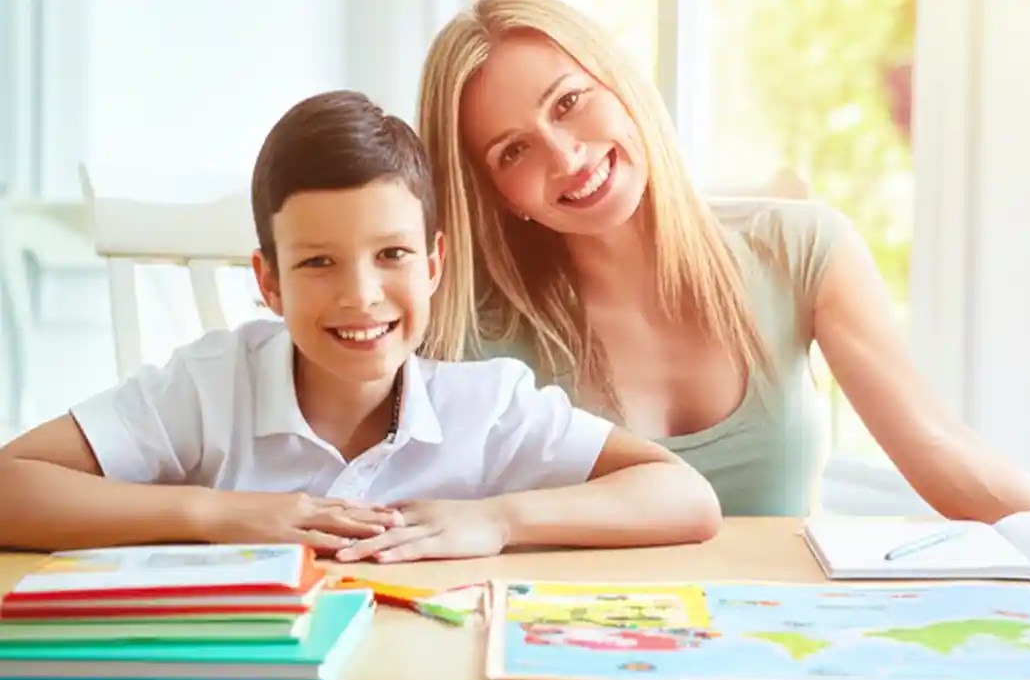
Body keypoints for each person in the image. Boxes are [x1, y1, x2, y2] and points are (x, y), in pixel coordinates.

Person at [415, 0, 1030, 521]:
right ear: (497, 196)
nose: (564, 155)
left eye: (568, 102)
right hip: (582, 659)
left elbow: (940, 451)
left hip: (782, 653)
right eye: (512, 152)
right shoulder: (473, 334)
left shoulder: (801, 250)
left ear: (621, 86)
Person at [0, 90, 721, 561]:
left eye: (393, 255)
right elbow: (11, 486)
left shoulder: (488, 405)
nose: (361, 294)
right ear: (269, 282)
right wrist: (220, 514)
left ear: (434, 263)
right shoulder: (209, 388)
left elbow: (685, 495)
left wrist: (500, 521)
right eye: (317, 262)